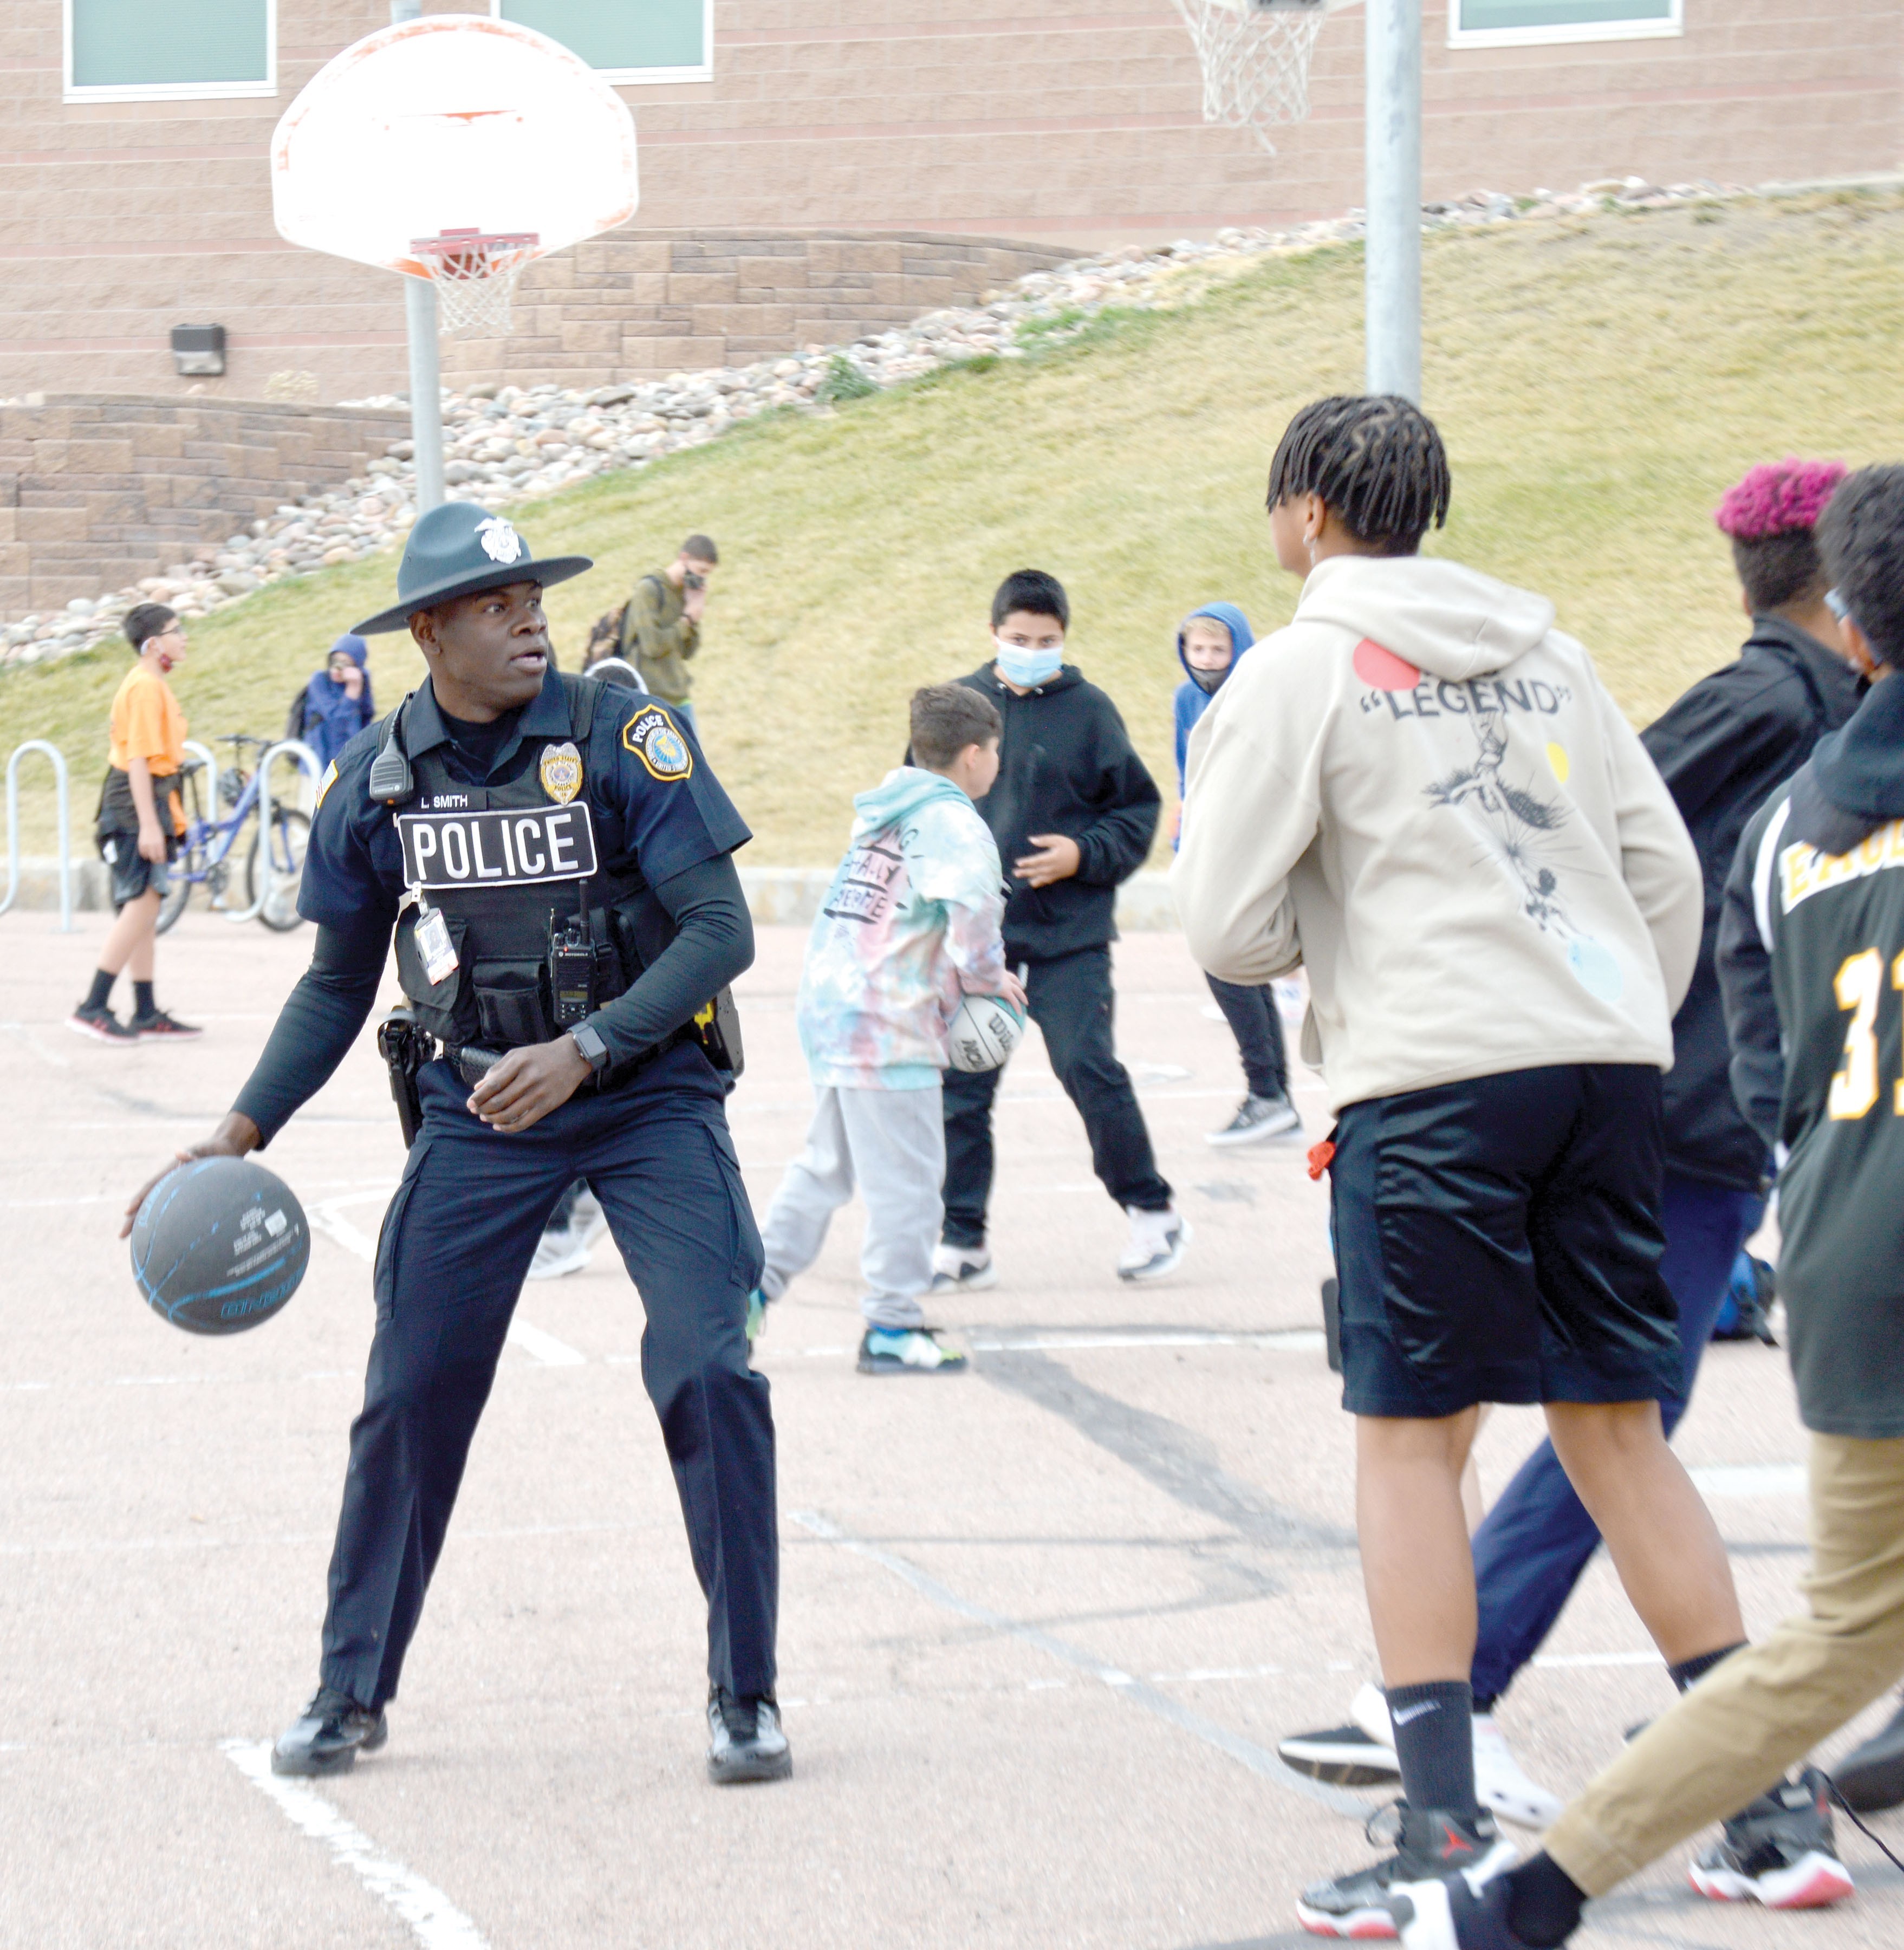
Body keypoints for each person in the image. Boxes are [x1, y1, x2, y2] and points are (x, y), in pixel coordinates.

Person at [1172, 395, 1747, 1939]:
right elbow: (1662, 875)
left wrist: (1350, 939)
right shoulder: (1551, 656)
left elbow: (1224, 924)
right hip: (1600, 1066)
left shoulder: (1297, 670)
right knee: (1615, 1428)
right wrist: (1612, 1003)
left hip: (1429, 1079)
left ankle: (1434, 1827)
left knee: (1411, 1438)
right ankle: (1760, 1805)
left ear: (1301, 512)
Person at [121, 502, 788, 1788]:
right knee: (411, 1392)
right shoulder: (377, 778)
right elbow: (334, 984)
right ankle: (349, 1688)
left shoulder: (618, 733)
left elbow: (719, 928)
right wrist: (234, 1132)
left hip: (646, 1095)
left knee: (711, 1367)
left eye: (535, 598)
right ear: (430, 631)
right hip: (480, 1108)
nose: (531, 618)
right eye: (498, 606)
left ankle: (744, 1690)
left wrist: (589, 1049)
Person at [1277, 454, 1867, 1830]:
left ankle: (1507, 1707)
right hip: (1672, 1098)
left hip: (1683, 1089)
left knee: (1605, 1413)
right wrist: (1634, 1000)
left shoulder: (1831, 703)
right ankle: (1484, 1701)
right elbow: (1593, 838)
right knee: (1614, 1414)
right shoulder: (1769, 700)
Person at [751, 683, 1025, 1374]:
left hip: (836, 1011)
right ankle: (892, 1326)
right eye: (994, 752)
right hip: (887, 1025)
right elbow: (971, 930)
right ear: (973, 755)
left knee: (824, 1170)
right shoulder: (956, 824)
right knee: (909, 1182)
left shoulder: (884, 816)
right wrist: (994, 986)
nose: (995, 763)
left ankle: (744, 1298)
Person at [934, 568, 1187, 1287]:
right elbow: (914, 806)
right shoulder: (956, 707)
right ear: (992, 635)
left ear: (1062, 641)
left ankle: (1152, 1213)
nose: (1031, 650)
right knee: (962, 1084)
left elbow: (1135, 813)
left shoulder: (1089, 711)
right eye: (1017, 639)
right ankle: (962, 1239)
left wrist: (1083, 854)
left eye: (1045, 641)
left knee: (1086, 1067)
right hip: (978, 942)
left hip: (1068, 935)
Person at [1172, 602, 1301, 1145]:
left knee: (1225, 960)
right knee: (1233, 968)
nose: (1205, 660)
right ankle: (1272, 1096)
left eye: (1217, 650)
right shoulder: (1185, 699)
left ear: (1239, 650)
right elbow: (1188, 769)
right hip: (1207, 841)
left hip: (1249, 841)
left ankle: (1269, 1094)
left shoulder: (1257, 696)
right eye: (1196, 650)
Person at [69, 602, 200, 1044]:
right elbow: (139, 760)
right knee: (142, 902)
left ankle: (145, 1010)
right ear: (152, 643)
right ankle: (93, 1006)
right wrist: (148, 824)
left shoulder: (152, 683)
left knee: (149, 902)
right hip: (134, 803)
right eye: (175, 630)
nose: (183, 637)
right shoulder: (144, 686)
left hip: (150, 799)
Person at [614, 534, 718, 735]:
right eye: (701, 570)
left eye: (708, 574)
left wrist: (693, 614)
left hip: (680, 696)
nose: (703, 578)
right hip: (652, 700)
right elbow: (652, 645)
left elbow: (688, 651)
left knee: (694, 765)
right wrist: (687, 620)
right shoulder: (648, 590)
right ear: (684, 558)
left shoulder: (684, 593)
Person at [300, 634, 378, 766]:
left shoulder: (362, 678)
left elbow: (367, 714)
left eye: (345, 664)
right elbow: (337, 720)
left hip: (350, 757)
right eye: (334, 661)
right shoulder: (320, 680)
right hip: (319, 758)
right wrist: (353, 690)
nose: (337, 668)